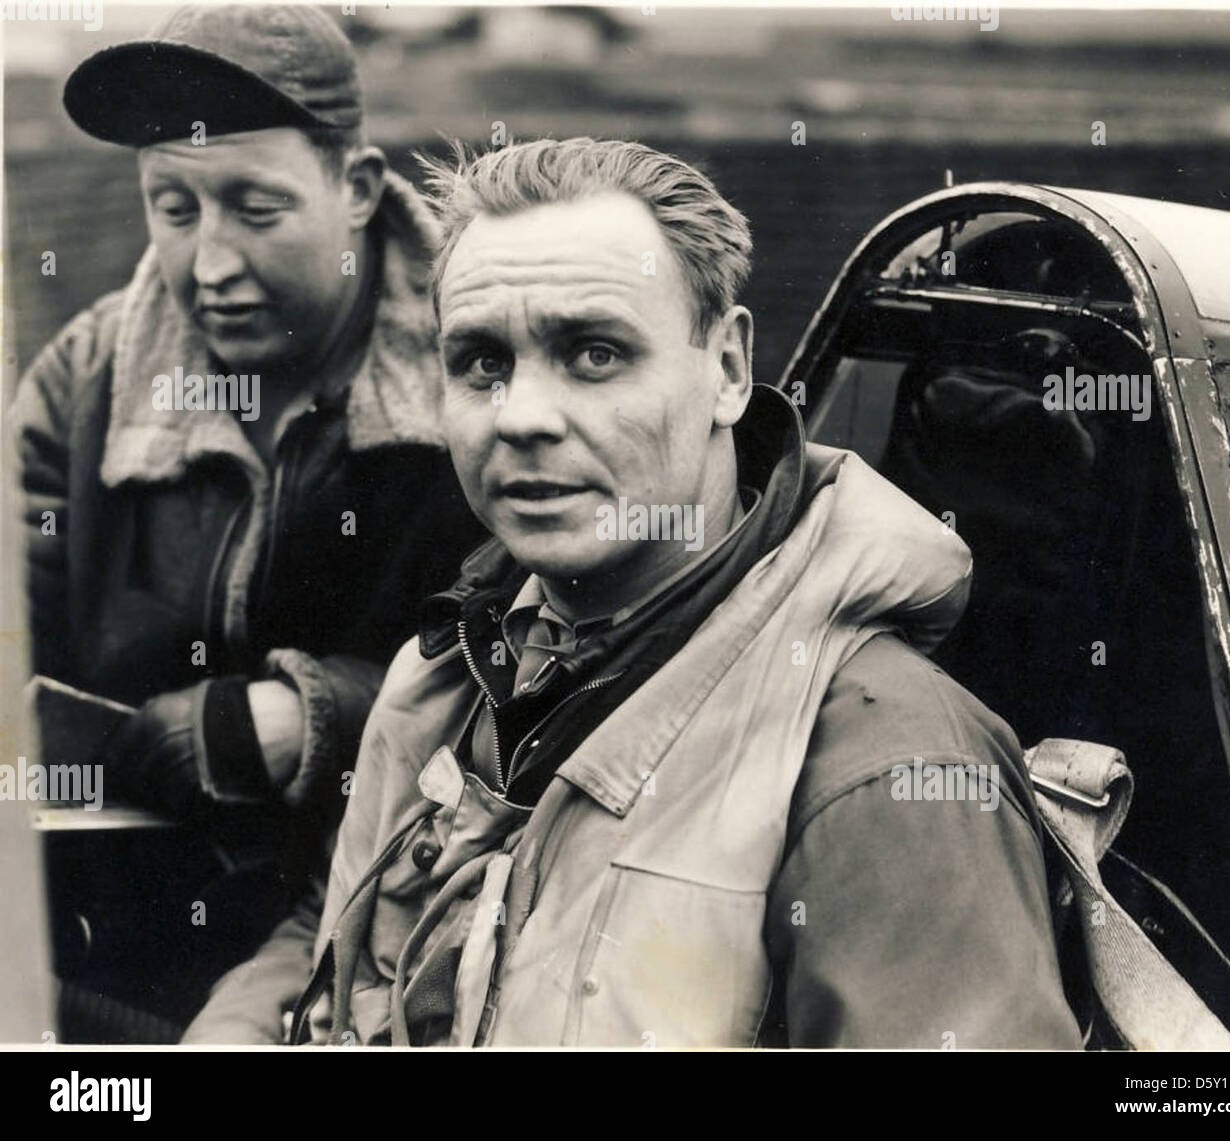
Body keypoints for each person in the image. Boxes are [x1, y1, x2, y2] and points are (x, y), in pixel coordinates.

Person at [185, 137, 1082, 1048]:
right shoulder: (450, 667)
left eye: (595, 353)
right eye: (482, 364)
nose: (524, 416)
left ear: (728, 369)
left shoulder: (883, 764)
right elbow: (337, 939)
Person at [14, 5, 483, 1032]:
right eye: (172, 209)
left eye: (255, 210)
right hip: (116, 925)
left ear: (356, 190)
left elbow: (569, 675)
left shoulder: (486, 375)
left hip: (402, 931)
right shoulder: (84, 385)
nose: (211, 264)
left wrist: (331, 713)